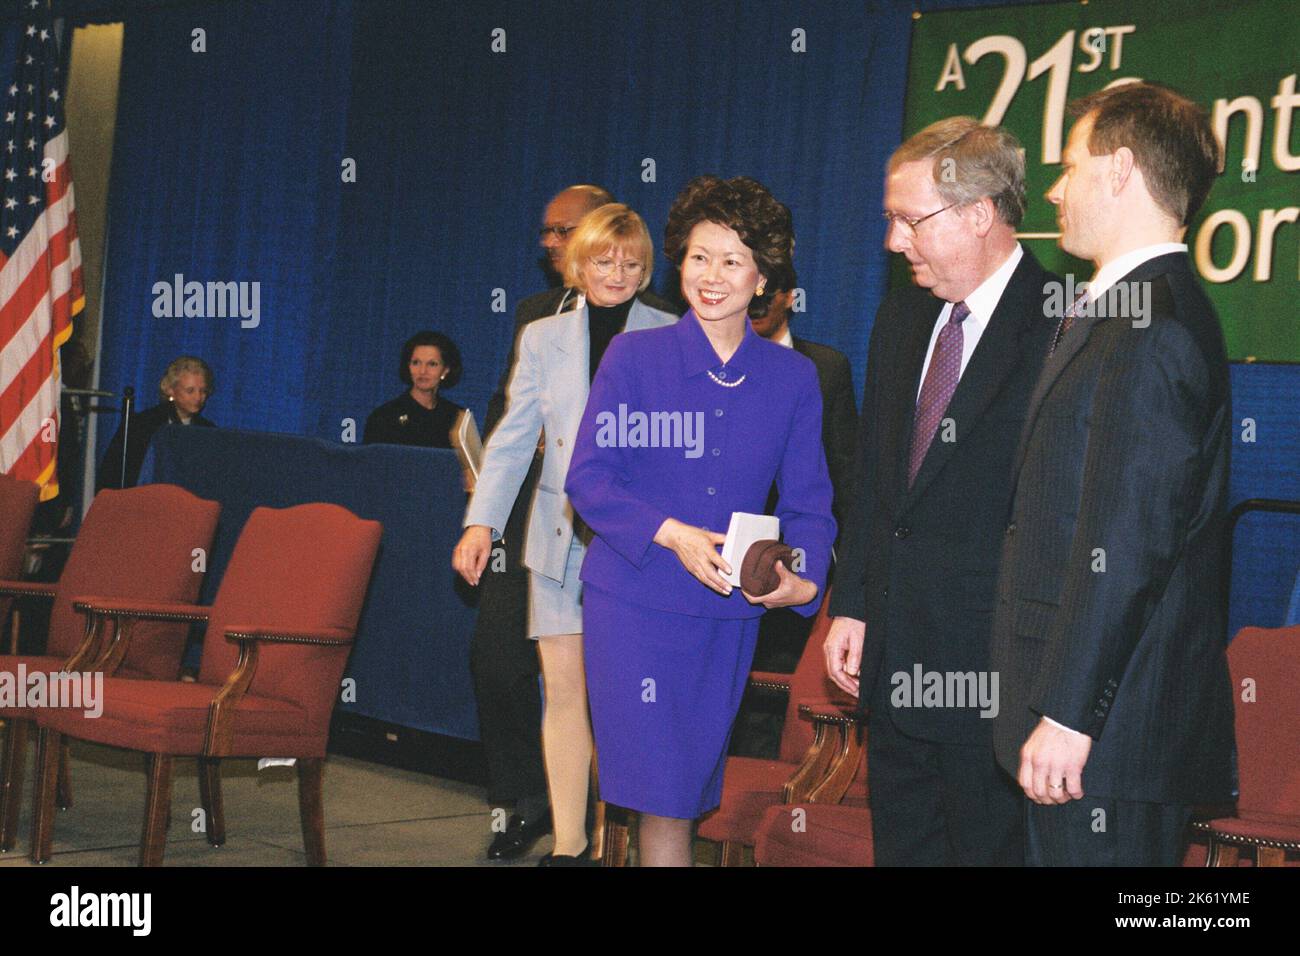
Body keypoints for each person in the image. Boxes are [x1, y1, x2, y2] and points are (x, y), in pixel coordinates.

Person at [988, 82, 1235, 866]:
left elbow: (1126, 545)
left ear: (1121, 169)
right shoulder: (1129, 309)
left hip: (1107, 739)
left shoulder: (1150, 324)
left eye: (1069, 166)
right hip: (1100, 731)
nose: (1055, 191)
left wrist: (1068, 713)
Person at [565, 176, 836, 866]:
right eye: (698, 256)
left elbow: (808, 504)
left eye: (732, 260)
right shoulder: (633, 357)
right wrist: (671, 532)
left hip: (727, 618)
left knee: (685, 797)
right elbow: (588, 479)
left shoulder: (793, 378)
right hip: (634, 604)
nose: (711, 277)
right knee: (660, 797)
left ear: (764, 276)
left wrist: (801, 580)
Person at [823, 118, 1057, 865]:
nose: (894, 242)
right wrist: (852, 600)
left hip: (993, 676)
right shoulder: (902, 315)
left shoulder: (1066, 321)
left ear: (979, 213)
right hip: (893, 661)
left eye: (907, 220)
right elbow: (874, 481)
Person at [454, 203, 676, 865]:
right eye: (604, 261)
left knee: (629, 698)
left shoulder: (673, 333)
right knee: (565, 693)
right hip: (558, 539)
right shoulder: (543, 337)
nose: (618, 273)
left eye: (632, 263)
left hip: (639, 546)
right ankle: (573, 845)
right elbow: (515, 441)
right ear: (578, 265)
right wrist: (480, 524)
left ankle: (627, 839)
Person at [97, 355, 215, 491]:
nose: (198, 397)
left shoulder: (208, 430)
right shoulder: (142, 425)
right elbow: (112, 472)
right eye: (190, 390)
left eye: (203, 391)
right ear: (170, 390)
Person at [362, 331, 464, 447]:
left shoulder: (458, 419)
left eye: (432, 364)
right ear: (408, 366)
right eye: (416, 363)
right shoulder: (384, 417)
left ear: (445, 370)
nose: (423, 371)